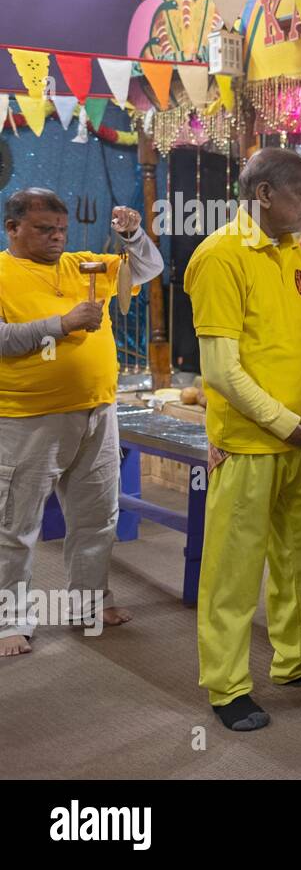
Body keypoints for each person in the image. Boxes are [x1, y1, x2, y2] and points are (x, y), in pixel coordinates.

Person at [183, 148, 301, 732]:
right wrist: (287, 424)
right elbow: (222, 372)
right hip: (252, 444)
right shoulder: (220, 257)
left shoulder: (290, 255)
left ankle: (297, 660)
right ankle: (226, 686)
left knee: (298, 560)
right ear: (262, 194)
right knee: (233, 572)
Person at [0, 190, 162, 657]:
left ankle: (89, 603)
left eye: (60, 229)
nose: (55, 237)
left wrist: (132, 234)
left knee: (96, 517)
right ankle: (10, 620)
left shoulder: (82, 265)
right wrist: (63, 323)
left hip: (97, 410)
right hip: (27, 419)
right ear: (12, 228)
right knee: (15, 526)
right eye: (43, 229)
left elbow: (147, 269)